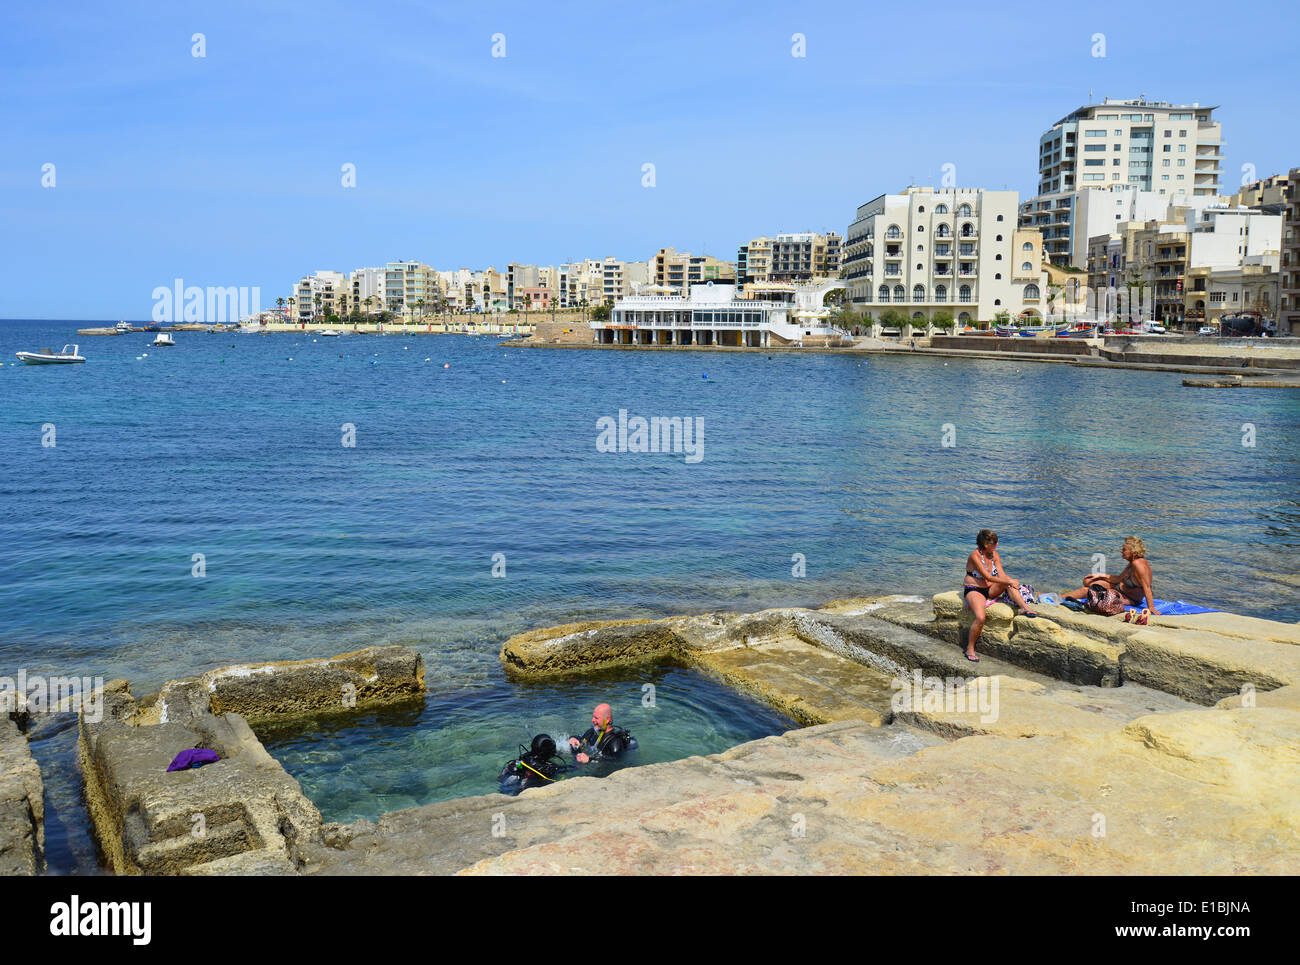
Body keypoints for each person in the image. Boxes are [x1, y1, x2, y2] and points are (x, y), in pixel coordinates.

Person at [962, 529, 1039, 662]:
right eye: (994, 542)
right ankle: (970, 648)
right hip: (974, 589)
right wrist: (1008, 581)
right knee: (980, 617)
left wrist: (1010, 582)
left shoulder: (994, 554)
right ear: (985, 544)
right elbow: (987, 576)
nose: (997, 545)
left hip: (990, 588)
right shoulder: (974, 556)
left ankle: (1024, 608)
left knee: (1008, 581)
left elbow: (1001, 575)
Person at [1061, 536, 1159, 615]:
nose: (1121, 551)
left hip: (1128, 597)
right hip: (1119, 588)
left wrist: (1151, 607)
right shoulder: (1132, 562)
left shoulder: (1138, 565)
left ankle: (1059, 597)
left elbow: (1147, 587)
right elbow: (1119, 579)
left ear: (1134, 553)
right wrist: (1099, 576)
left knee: (1087, 590)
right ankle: (1070, 595)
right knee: (1088, 581)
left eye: (1124, 550)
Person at [567, 703, 636, 764]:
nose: (592, 720)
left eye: (596, 718)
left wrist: (590, 760)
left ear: (607, 720)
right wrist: (573, 738)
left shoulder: (615, 742)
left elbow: (615, 760)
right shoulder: (592, 732)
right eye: (593, 717)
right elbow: (580, 737)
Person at [499, 733, 566, 793]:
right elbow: (569, 768)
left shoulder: (525, 757)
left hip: (509, 782)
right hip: (524, 788)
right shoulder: (548, 768)